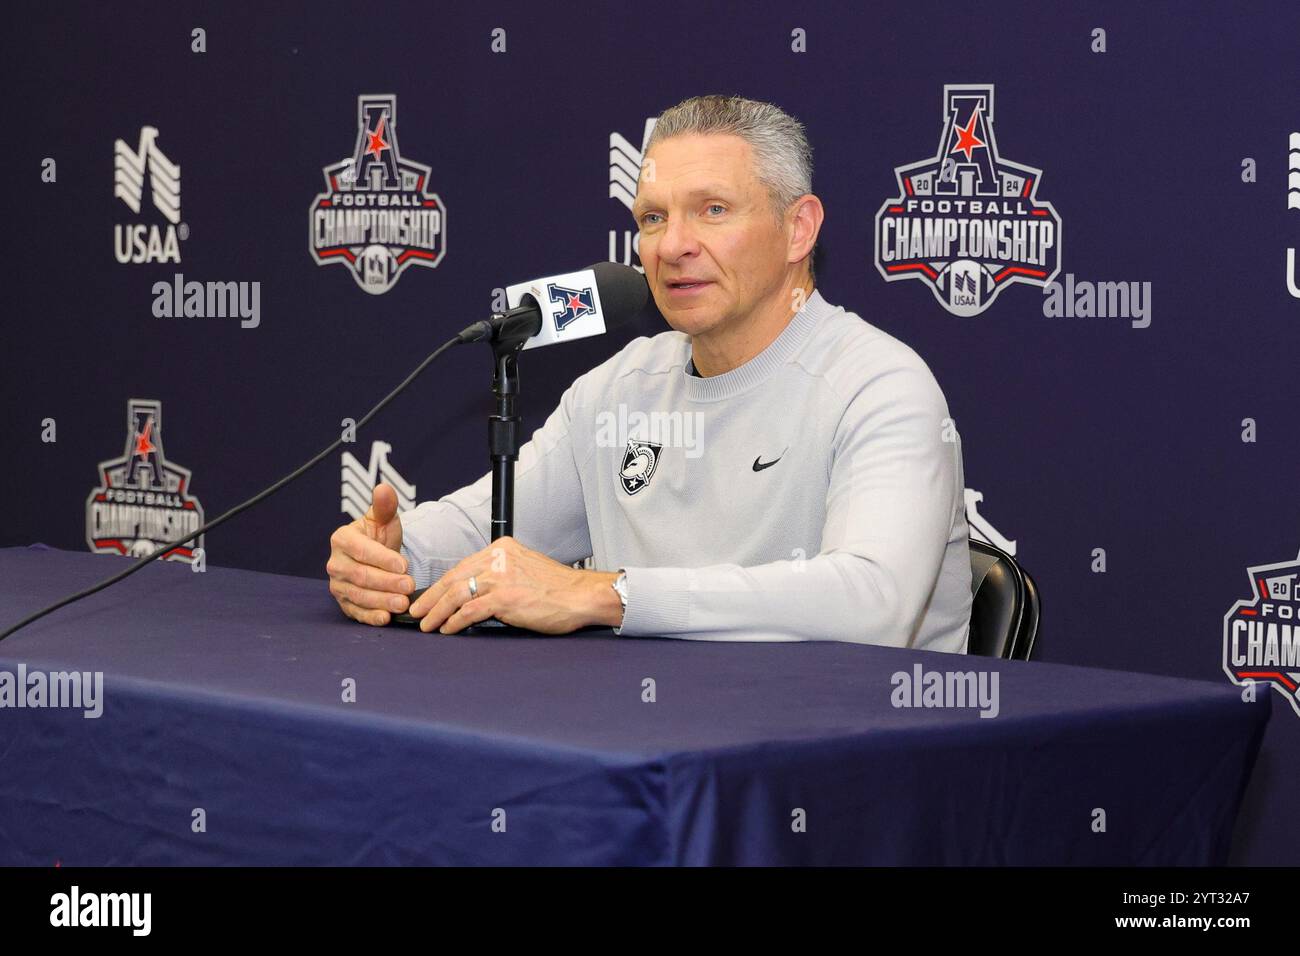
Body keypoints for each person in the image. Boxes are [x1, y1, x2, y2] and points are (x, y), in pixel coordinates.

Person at [326, 94, 972, 652]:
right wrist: (389, 556)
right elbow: (485, 532)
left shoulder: (879, 387)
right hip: (647, 734)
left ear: (798, 229)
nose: (673, 246)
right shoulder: (620, 389)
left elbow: (873, 602)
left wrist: (604, 594)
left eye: (713, 210)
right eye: (653, 218)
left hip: (839, 747)